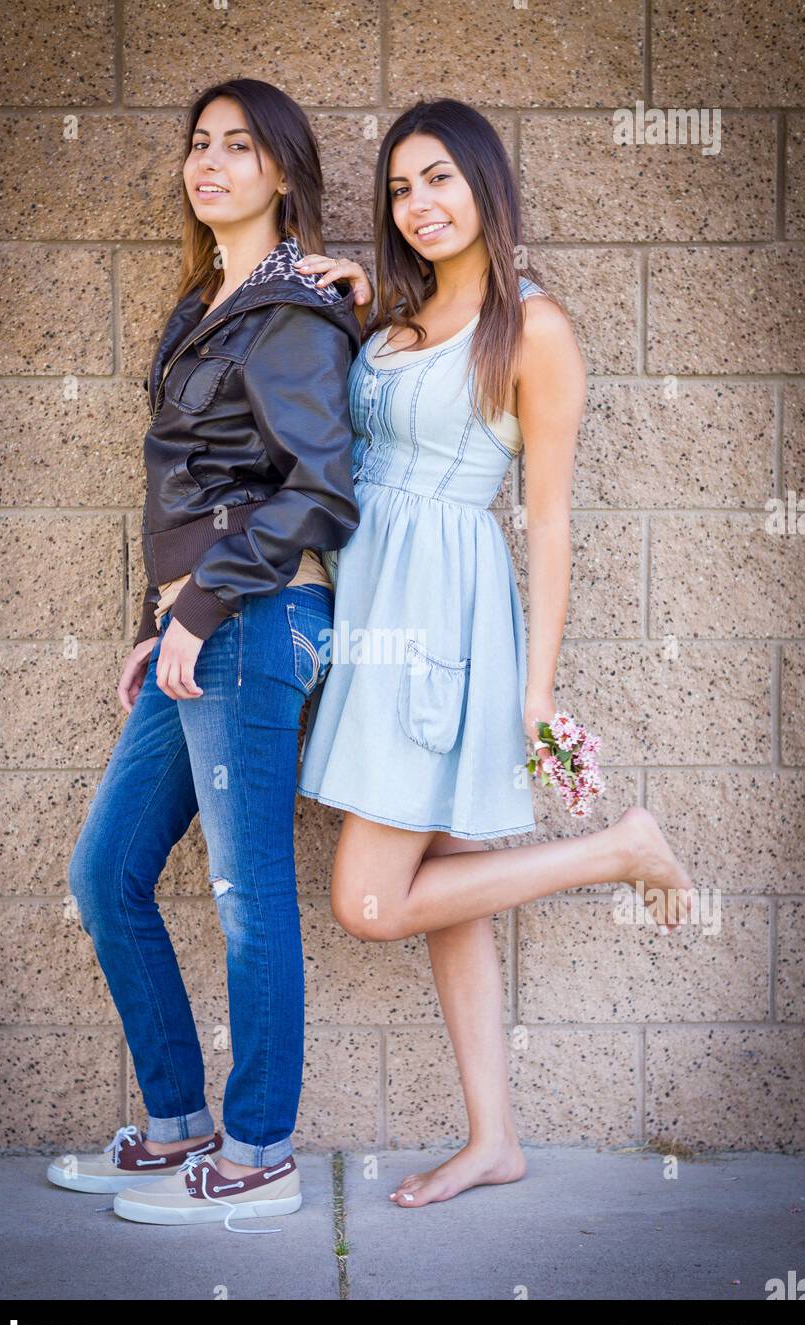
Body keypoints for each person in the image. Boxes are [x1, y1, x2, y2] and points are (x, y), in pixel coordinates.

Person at [293, 98, 694, 1210]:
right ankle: (494, 1138)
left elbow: (550, 519)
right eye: (399, 188)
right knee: (448, 894)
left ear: (484, 183)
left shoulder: (533, 329)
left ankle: (615, 849)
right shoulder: (398, 318)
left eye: (438, 180)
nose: (418, 205)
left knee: (370, 902)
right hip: (371, 615)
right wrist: (359, 301)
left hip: (439, 626)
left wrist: (534, 697)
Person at [49, 78, 362, 1229]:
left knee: (246, 896)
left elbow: (318, 492)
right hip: (197, 633)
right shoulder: (205, 304)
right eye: (198, 144)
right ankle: (177, 1122)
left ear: (281, 171)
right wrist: (154, 622)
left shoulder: (289, 308)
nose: (211, 162)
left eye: (239, 146)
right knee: (106, 872)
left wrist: (197, 609)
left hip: (254, 620)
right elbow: (186, 486)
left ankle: (260, 1154)